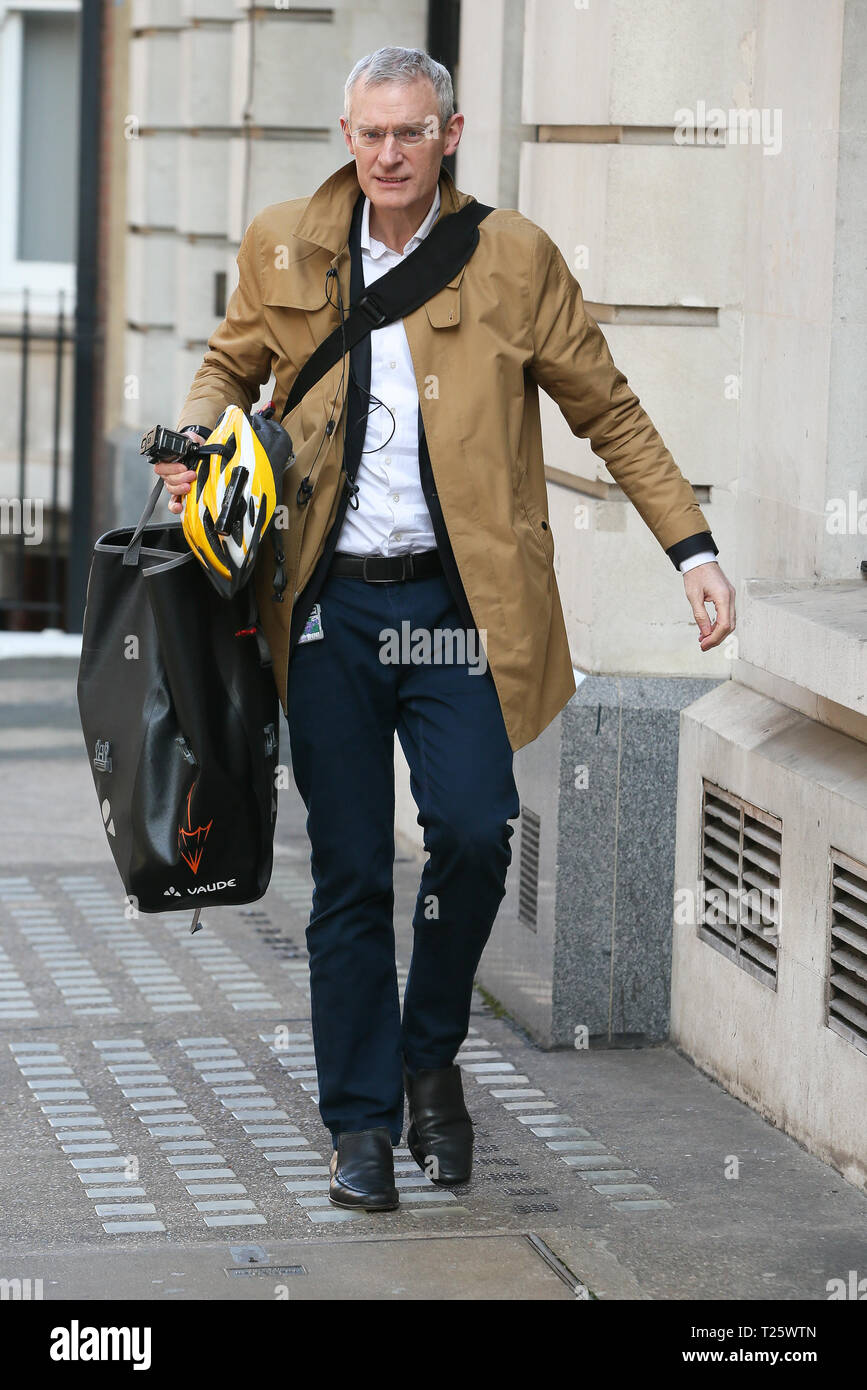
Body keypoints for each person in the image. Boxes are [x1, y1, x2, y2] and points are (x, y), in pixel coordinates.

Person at [153, 45, 736, 1211]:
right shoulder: (287, 245)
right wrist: (194, 446)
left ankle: (431, 1053)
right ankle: (360, 1122)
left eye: (410, 133)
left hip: (456, 608)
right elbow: (227, 362)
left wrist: (693, 546)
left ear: (450, 133)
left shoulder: (512, 261)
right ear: (347, 132)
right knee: (354, 871)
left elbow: (606, 407)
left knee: (474, 831)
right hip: (324, 606)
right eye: (370, 134)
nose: (388, 154)